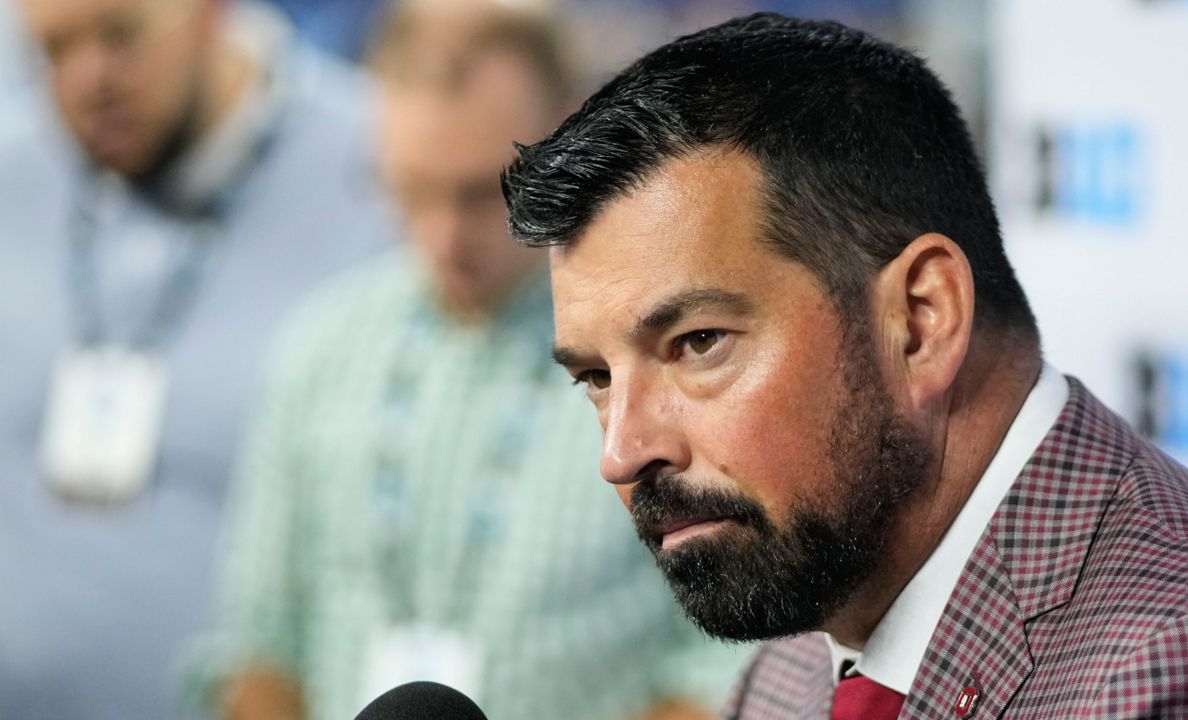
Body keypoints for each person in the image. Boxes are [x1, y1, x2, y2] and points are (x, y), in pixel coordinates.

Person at [501, 12, 1188, 720]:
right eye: (596, 379)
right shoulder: (795, 657)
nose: (623, 453)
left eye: (698, 343)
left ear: (920, 321)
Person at [191, 3, 747, 719]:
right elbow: (259, 648)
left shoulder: (667, 355)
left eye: (484, 192)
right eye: (413, 190)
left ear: (570, 136)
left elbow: (719, 665)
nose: (445, 236)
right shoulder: (321, 351)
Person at [0, 0, 393, 717]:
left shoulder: (390, 169)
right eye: (54, 51)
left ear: (211, 12)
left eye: (120, 34)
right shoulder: (13, 168)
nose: (90, 79)